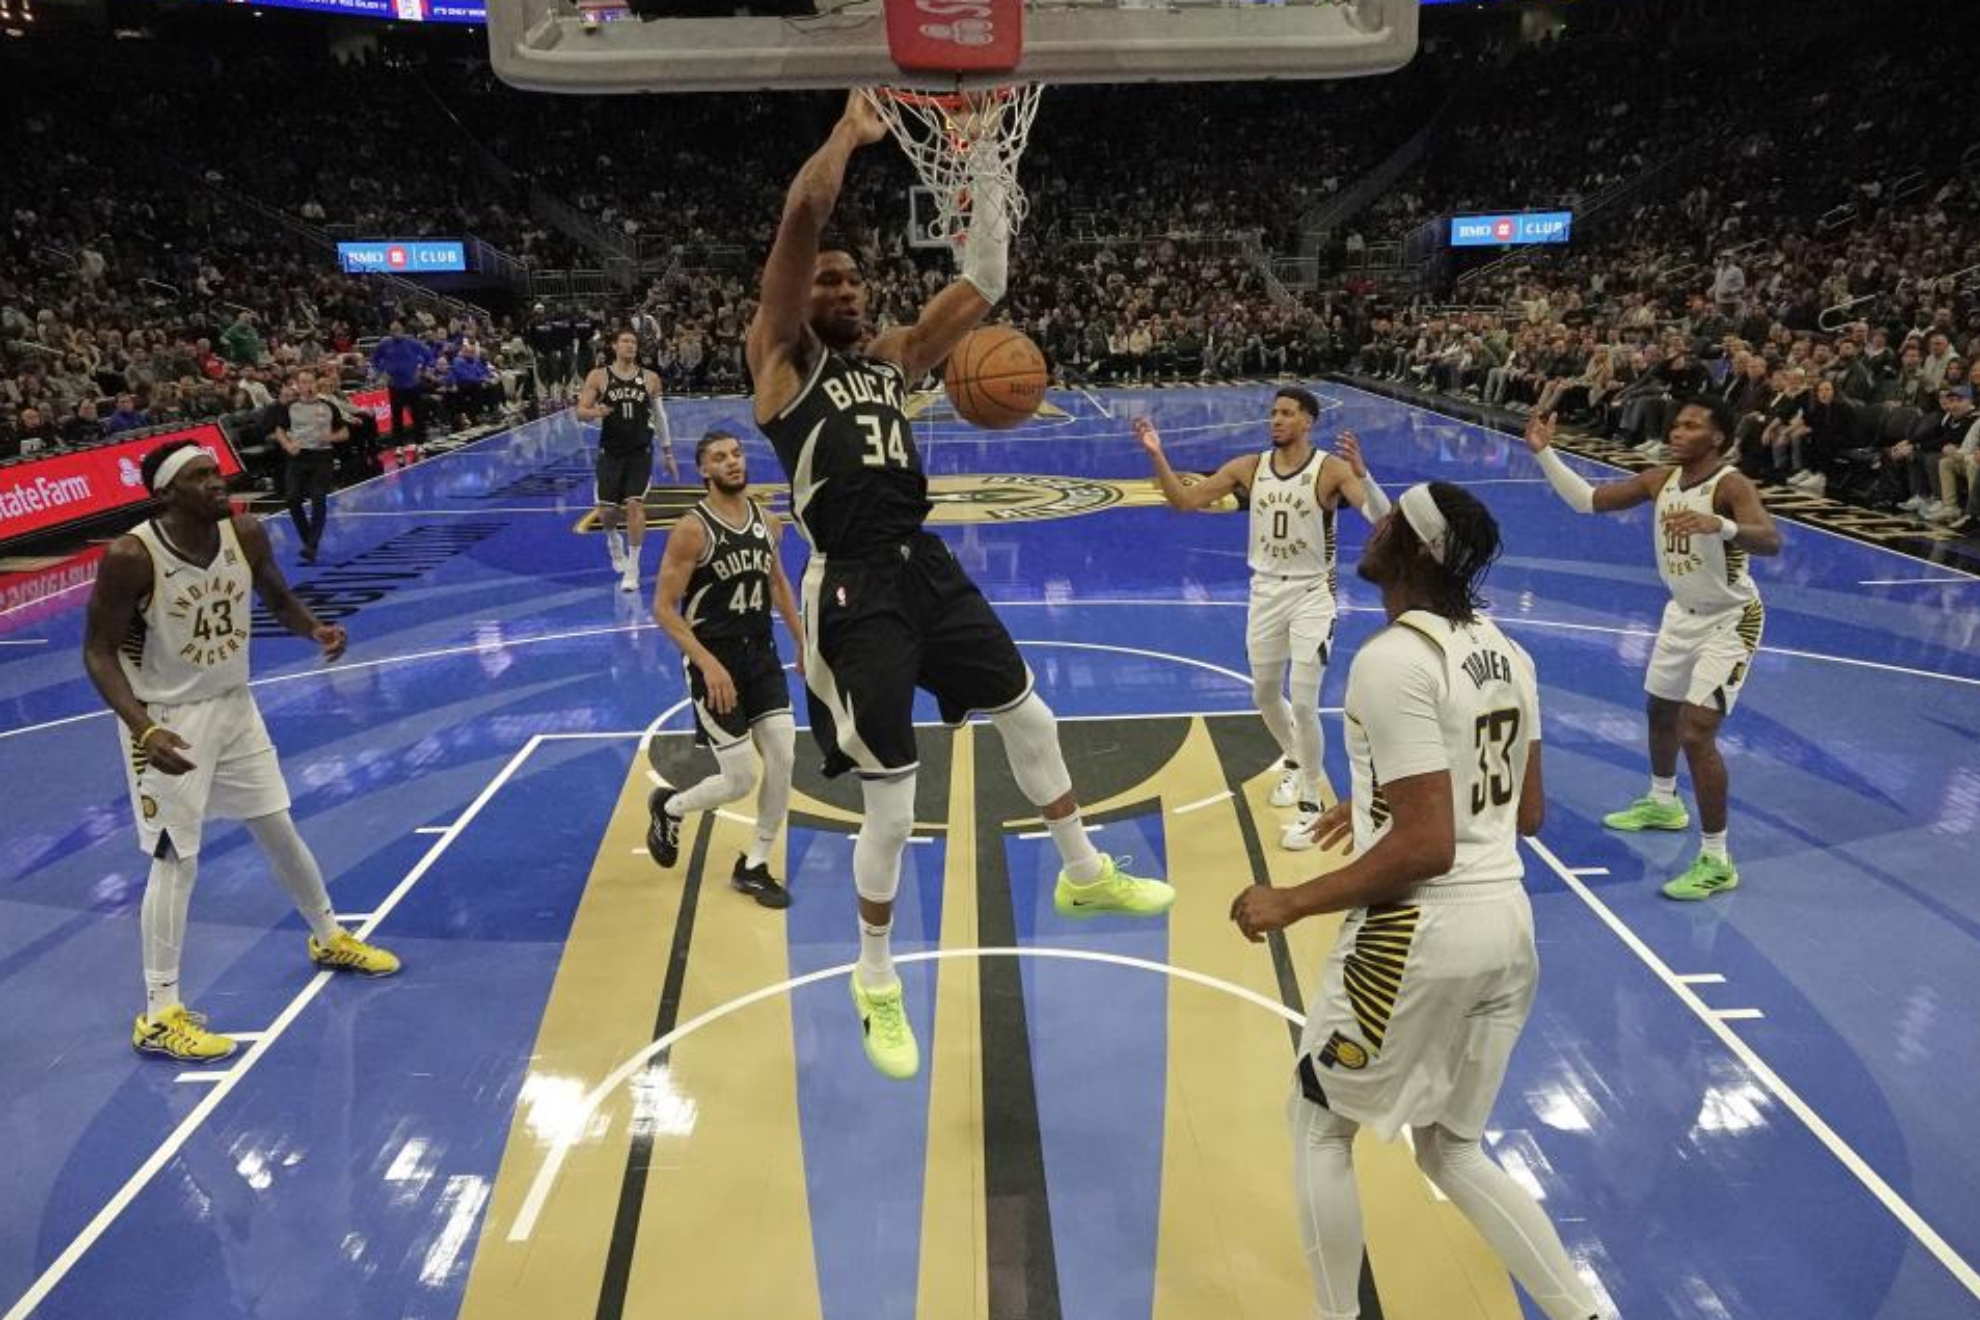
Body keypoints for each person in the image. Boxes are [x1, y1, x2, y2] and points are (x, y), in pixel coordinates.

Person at [747, 92, 1174, 1080]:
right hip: (852, 592)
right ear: (799, 298)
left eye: (856, 279)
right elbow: (799, 218)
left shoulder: (895, 361)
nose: (848, 288)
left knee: (1029, 713)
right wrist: (848, 139)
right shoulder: (780, 363)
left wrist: (983, 166)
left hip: (926, 566)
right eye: (830, 281)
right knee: (893, 809)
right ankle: (875, 979)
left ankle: (1084, 875)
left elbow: (983, 277)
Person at [1230, 482, 1603, 1320]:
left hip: (1419, 931)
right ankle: (1579, 1312)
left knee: (1319, 1123)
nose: (1375, 523)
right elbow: (1524, 812)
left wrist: (1292, 900)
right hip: (1507, 925)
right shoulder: (1509, 651)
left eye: (1390, 516)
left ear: (1415, 550)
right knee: (1452, 1149)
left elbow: (1428, 846)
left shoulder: (1392, 659)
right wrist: (1373, 802)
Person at [80, 441, 399, 1063]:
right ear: (165, 493)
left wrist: (314, 628)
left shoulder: (245, 532)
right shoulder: (130, 556)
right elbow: (97, 651)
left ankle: (329, 937)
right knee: (177, 859)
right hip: (167, 721)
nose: (216, 483)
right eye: (199, 477)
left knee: (276, 824)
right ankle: (159, 1013)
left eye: (215, 472)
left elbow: (275, 596)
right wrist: (143, 729)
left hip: (234, 704)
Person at [1525, 398, 1782, 899]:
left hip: (1730, 620)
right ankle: (1664, 802)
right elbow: (1587, 500)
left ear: (1718, 439)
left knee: (1698, 732)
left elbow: (1769, 540)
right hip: (1680, 613)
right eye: (1677, 424)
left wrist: (1722, 526)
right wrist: (1544, 454)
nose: (1678, 431)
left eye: (1692, 425)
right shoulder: (1659, 480)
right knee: (1660, 712)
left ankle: (1716, 859)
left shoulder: (1731, 485)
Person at [1136, 393, 1390, 850]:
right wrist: (1157, 455)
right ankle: (1294, 761)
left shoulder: (1330, 468)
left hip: (1313, 593)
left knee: (1306, 703)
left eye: (1287, 413)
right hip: (1265, 591)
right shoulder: (1249, 467)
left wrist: (1363, 473)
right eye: (1273, 412)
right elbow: (1183, 502)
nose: (1276, 420)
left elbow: (1382, 519)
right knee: (1265, 693)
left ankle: (1312, 806)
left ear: (1308, 421)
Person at [647, 430, 803, 909]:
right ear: (704, 471)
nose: (732, 462)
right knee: (739, 780)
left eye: (736, 454)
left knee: (783, 755)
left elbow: (777, 583)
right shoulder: (693, 529)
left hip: (760, 654)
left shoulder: (767, 520)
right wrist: (708, 663)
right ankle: (670, 807)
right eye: (720, 458)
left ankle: (754, 864)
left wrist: (803, 641)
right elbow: (664, 608)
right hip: (714, 659)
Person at [577, 328, 677, 593]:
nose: (630, 345)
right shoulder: (599, 376)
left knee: (634, 505)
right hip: (610, 451)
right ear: (614, 346)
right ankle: (613, 541)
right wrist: (597, 411)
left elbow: (660, 416)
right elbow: (580, 412)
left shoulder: (651, 378)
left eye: (634, 342)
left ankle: (633, 567)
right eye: (625, 341)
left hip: (640, 451)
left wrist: (668, 452)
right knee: (607, 511)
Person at [270, 368, 348, 563]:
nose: (308, 386)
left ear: (316, 384)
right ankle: (308, 540)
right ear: (297, 385)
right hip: (298, 457)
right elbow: (279, 430)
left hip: (322, 457)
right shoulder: (290, 407)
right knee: (292, 498)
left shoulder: (329, 406)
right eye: (303, 382)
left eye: (311, 382)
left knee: (318, 497)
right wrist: (288, 445)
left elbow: (345, 432)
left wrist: (331, 436)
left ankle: (311, 545)